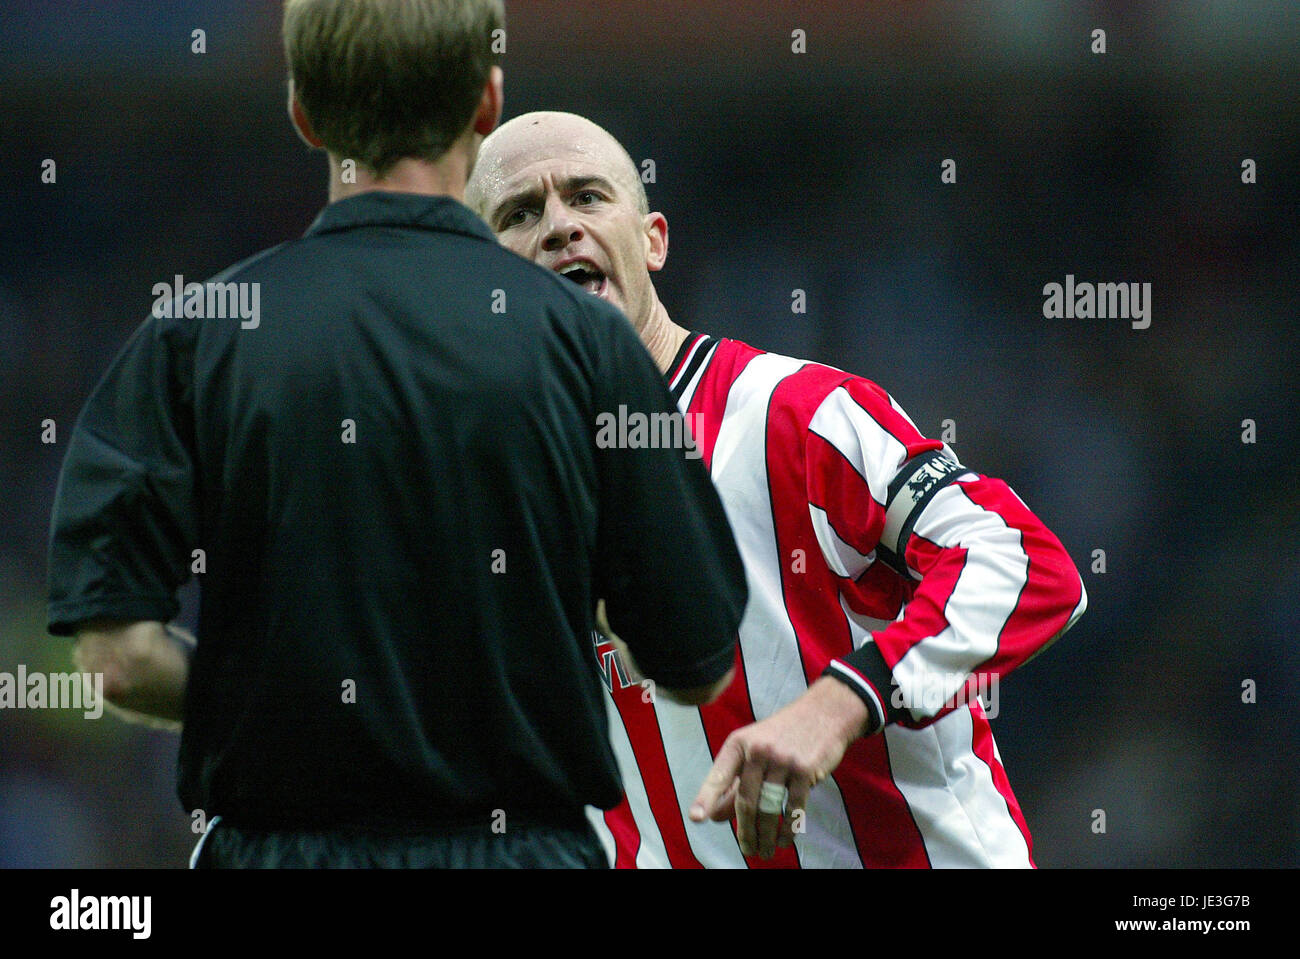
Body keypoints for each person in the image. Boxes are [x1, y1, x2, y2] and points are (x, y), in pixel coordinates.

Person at [45, 3, 746, 869]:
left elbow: (117, 660)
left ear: (303, 112)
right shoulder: (588, 344)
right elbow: (696, 660)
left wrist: (281, 708)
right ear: (486, 104)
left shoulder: (196, 333)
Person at [465, 111, 1089, 868]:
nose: (561, 226)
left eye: (588, 197)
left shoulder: (795, 415)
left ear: (654, 238)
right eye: (522, 213)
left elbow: (1027, 560)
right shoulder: (488, 508)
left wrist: (841, 701)